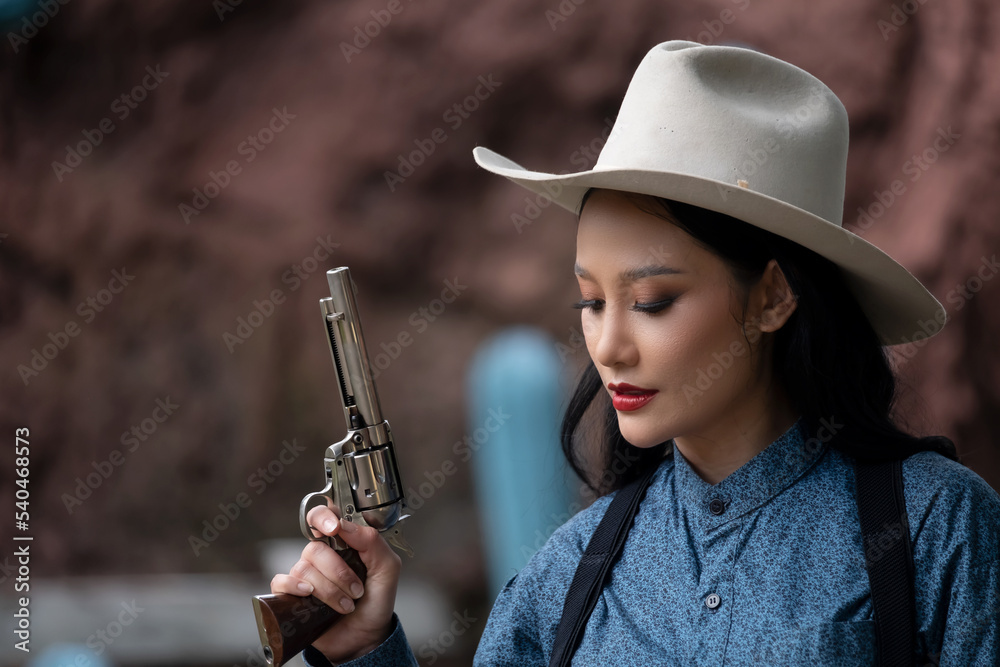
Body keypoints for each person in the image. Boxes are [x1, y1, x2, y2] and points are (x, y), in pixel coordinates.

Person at [270, 40, 1000, 665]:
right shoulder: (566, 573)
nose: (608, 345)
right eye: (590, 302)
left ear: (774, 297)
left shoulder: (938, 529)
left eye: (652, 302)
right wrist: (365, 646)